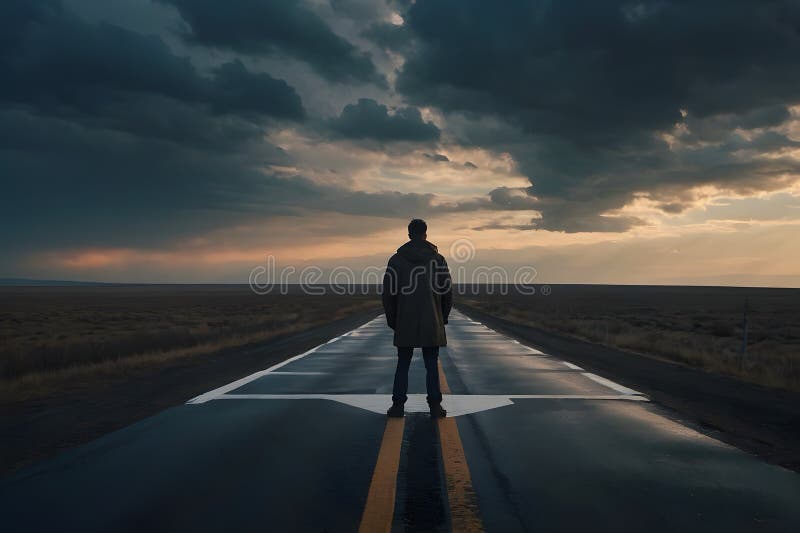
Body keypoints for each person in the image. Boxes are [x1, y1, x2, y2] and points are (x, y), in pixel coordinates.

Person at [382, 218, 453, 418]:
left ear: (409, 234)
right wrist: (442, 318)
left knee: (403, 363)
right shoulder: (437, 260)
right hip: (432, 320)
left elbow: (388, 293)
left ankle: (398, 406)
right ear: (426, 234)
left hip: (405, 320)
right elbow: (447, 291)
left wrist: (393, 320)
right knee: (431, 364)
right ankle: (435, 406)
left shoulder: (396, 261)